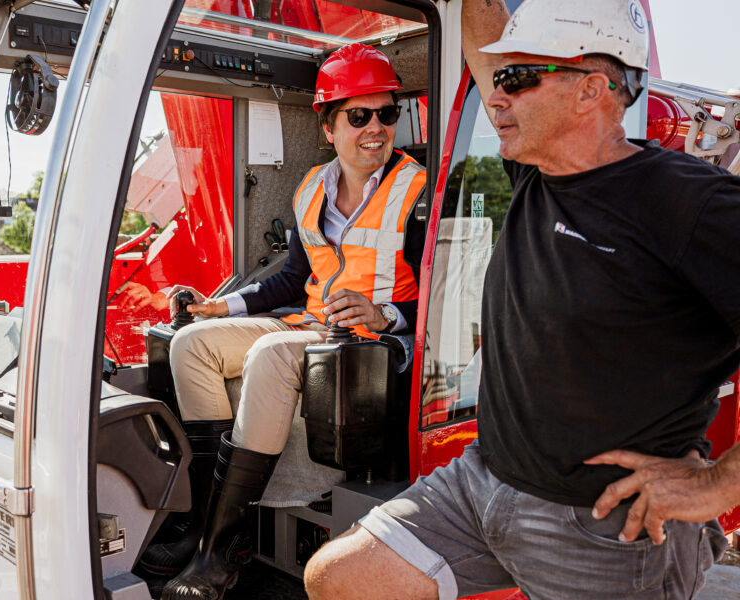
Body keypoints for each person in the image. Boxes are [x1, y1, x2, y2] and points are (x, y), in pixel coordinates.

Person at [302, 1, 740, 598]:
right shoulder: (536, 172)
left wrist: (718, 484)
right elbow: (482, 40)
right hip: (482, 482)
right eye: (498, 78)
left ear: (590, 91)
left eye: (516, 78)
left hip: (601, 525)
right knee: (338, 578)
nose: (495, 96)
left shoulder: (689, 204)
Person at [140, 43, 428, 600]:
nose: (377, 127)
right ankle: (210, 524)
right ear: (328, 127)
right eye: (359, 115)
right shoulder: (311, 187)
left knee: (269, 356)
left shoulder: (419, 190)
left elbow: (447, 299)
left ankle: (219, 557)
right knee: (190, 345)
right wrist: (222, 306)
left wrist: (385, 313)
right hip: (313, 324)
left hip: (377, 345)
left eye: (387, 113)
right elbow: (291, 279)